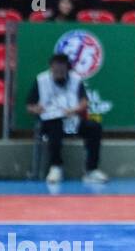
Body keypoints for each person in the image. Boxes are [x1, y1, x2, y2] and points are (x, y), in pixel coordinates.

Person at [26, 53, 106, 184]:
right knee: (55, 126)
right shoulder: (41, 80)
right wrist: (36, 109)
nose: (59, 72)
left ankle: (91, 170)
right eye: (56, 69)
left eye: (62, 70)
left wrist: (74, 110)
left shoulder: (76, 79)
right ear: (51, 67)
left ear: (67, 68)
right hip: (50, 120)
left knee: (94, 127)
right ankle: (56, 167)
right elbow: (29, 106)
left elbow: (84, 102)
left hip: (72, 119)